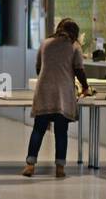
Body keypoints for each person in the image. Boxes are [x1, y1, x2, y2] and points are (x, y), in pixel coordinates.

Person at [22, 18, 92, 178]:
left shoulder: (45, 43)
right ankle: (60, 168)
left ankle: (30, 165)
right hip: (63, 94)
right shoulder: (74, 47)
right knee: (61, 132)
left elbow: (38, 67)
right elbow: (79, 70)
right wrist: (86, 88)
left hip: (44, 92)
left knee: (38, 129)